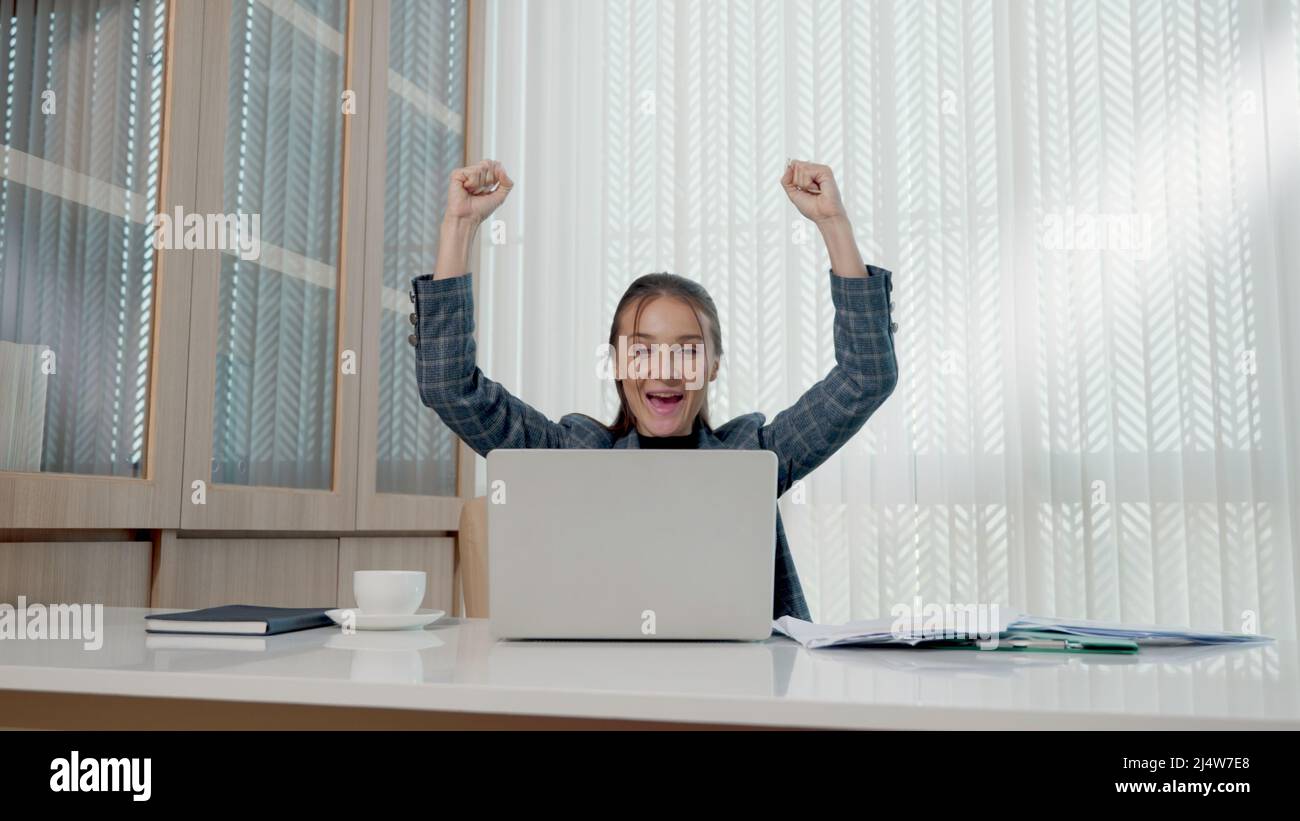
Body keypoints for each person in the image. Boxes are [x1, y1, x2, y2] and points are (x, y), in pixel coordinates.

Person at [409, 159, 898, 621]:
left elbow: (866, 376)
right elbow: (450, 385)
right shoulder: (573, 456)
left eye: (687, 350)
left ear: (713, 366)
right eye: (641, 351)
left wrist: (833, 223)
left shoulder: (751, 457)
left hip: (744, 695)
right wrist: (460, 227)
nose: (664, 372)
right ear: (617, 364)